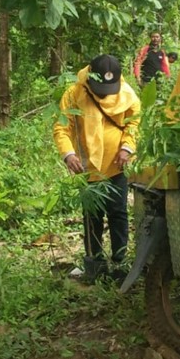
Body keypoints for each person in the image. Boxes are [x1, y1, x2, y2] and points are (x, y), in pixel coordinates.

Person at [53, 55, 141, 282]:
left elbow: (133, 123)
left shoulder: (128, 95)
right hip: (88, 169)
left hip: (116, 167)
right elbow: (62, 128)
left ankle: (121, 263)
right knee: (91, 217)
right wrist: (68, 154)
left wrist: (127, 148)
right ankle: (95, 265)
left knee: (118, 214)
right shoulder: (74, 94)